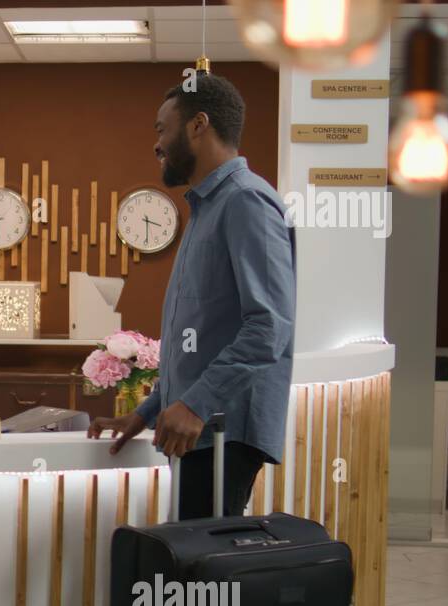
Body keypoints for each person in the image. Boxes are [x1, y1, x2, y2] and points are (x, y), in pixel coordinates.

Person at [89, 74, 296, 520]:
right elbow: (203, 340)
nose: (156, 144)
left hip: (222, 430)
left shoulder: (246, 202)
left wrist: (197, 403)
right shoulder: (207, 207)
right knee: (192, 571)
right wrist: (146, 412)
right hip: (199, 427)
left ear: (198, 125)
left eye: (162, 129)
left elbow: (269, 326)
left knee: (202, 579)